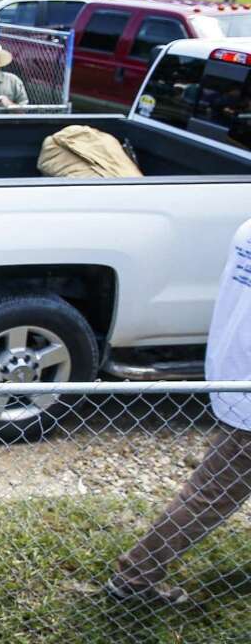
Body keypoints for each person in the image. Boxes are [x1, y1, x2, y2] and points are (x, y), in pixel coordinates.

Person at [105, 217, 251, 607]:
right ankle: (135, 577)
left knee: (211, 493)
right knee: (210, 496)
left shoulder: (248, 228)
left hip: (235, 374)